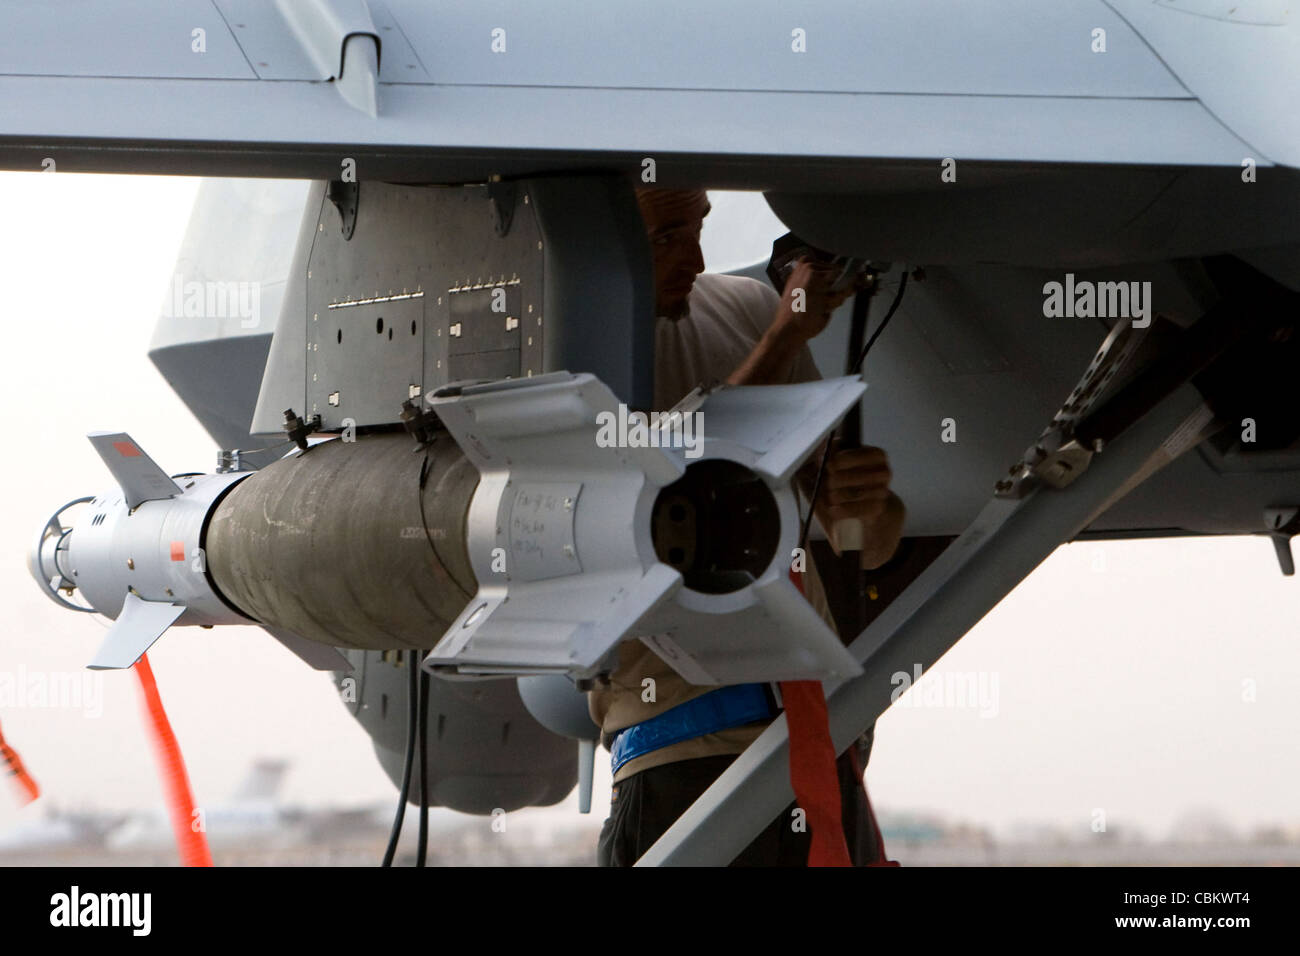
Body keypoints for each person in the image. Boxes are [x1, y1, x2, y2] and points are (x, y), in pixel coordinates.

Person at [591, 187, 905, 866]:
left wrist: (864, 503)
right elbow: (667, 498)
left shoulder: (743, 306)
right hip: (684, 759)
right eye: (666, 238)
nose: (696, 256)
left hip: (817, 743)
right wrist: (783, 338)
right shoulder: (565, 342)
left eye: (698, 225)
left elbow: (868, 544)